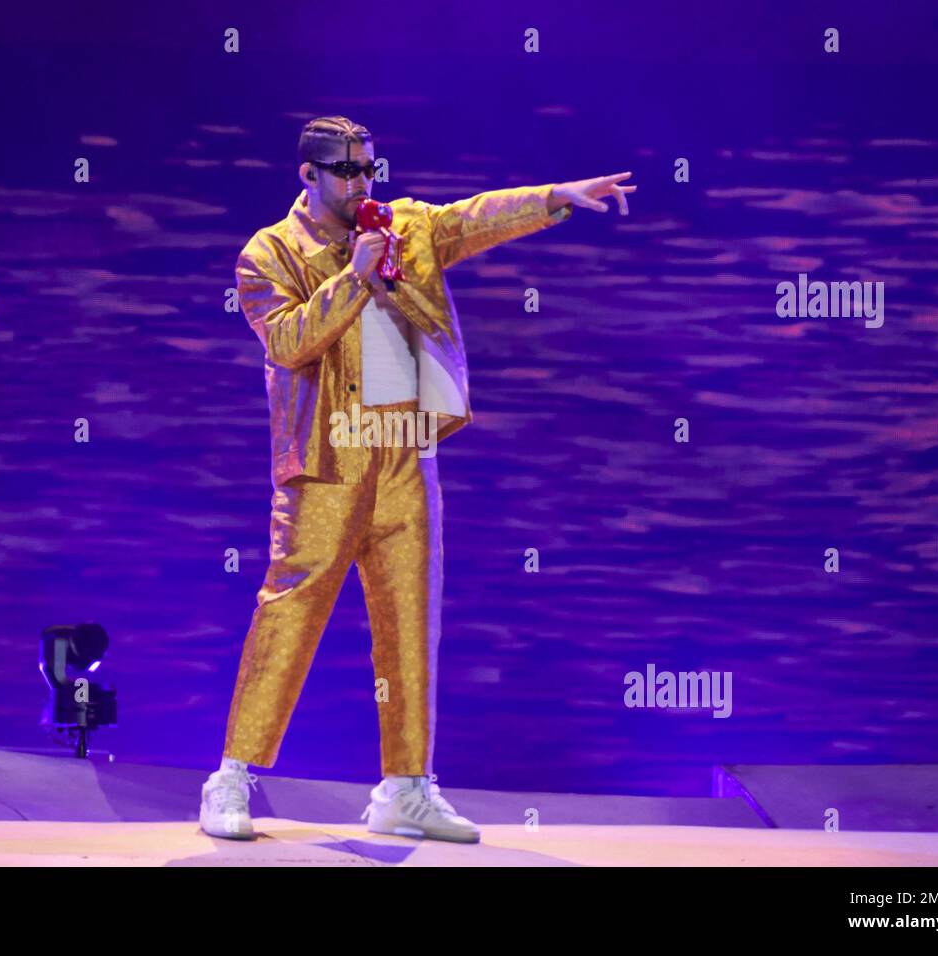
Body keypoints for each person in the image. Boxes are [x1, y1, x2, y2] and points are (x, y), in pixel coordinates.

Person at [200, 115, 636, 842]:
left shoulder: (405, 227)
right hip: (329, 459)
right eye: (346, 171)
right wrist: (354, 275)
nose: (361, 183)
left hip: (405, 451)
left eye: (368, 168)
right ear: (308, 175)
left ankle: (406, 787)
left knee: (410, 621)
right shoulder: (269, 252)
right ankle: (232, 776)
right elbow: (289, 341)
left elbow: (473, 218)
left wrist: (556, 195)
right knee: (290, 613)